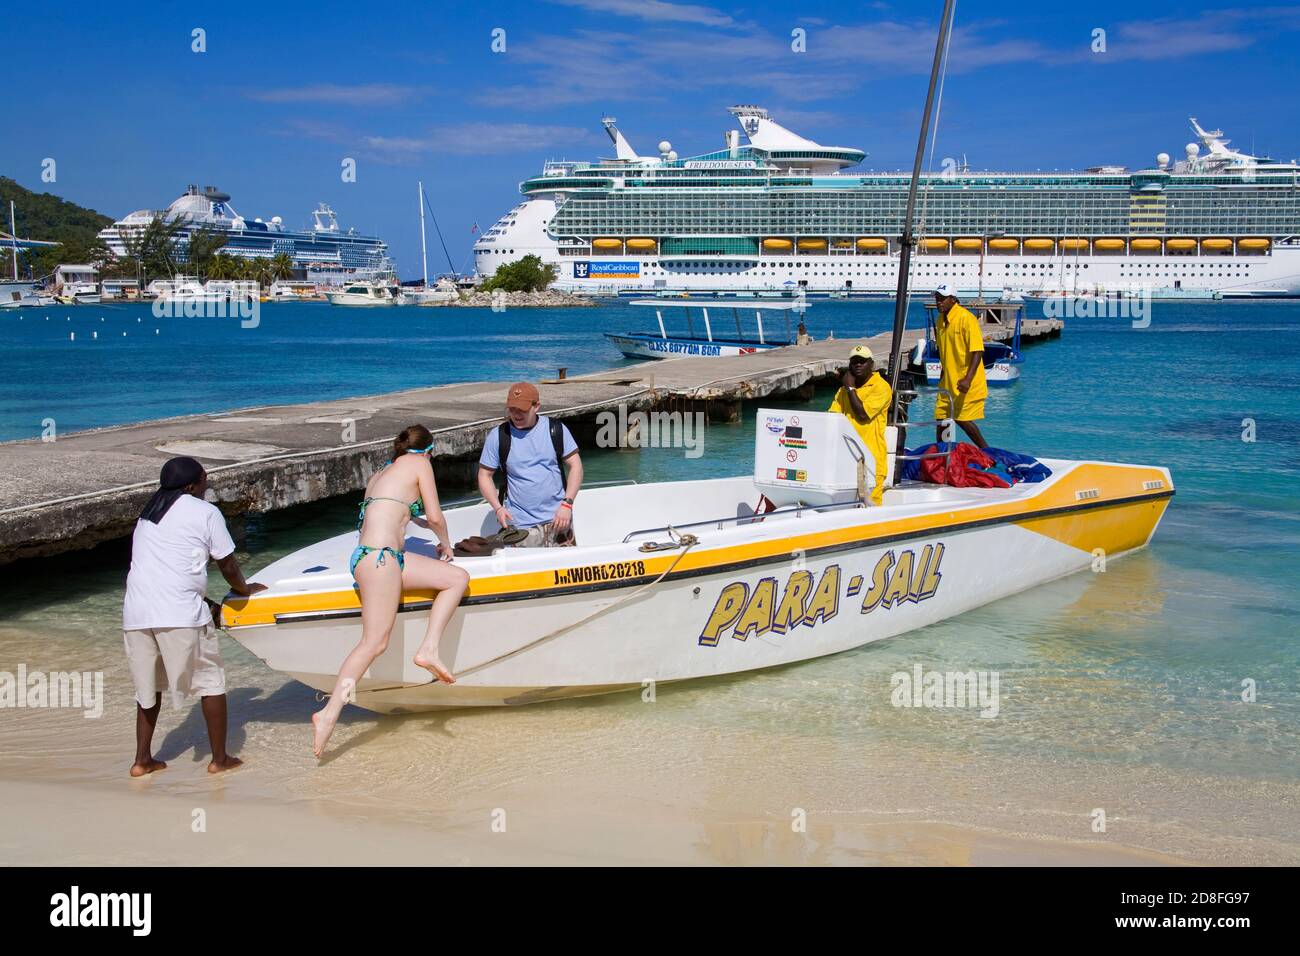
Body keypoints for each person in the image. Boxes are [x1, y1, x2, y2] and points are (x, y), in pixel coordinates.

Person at [311, 425, 469, 758]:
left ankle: (428, 649)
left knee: (456, 579)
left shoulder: (382, 473)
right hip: (382, 561)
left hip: (372, 558)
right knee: (374, 643)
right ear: (427, 451)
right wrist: (444, 543)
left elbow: (394, 512)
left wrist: (420, 523)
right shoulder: (421, 464)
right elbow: (437, 516)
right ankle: (328, 713)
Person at [122, 456, 265, 777]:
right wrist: (243, 589)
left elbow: (157, 568)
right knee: (210, 682)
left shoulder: (148, 515)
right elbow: (227, 563)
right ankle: (220, 759)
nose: (206, 486)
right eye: (204, 481)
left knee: (147, 689)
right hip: (180, 614)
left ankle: (142, 761)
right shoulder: (205, 512)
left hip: (136, 613)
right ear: (192, 485)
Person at [477, 382, 584, 548]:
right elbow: (484, 474)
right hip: (521, 527)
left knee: (563, 571)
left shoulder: (556, 429)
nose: (516, 414)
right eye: (512, 409)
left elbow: (576, 465)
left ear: (537, 406)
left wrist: (567, 504)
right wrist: (498, 508)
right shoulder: (498, 436)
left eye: (522, 409)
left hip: (559, 520)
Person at [828, 345, 893, 505]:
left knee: (870, 505)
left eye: (862, 361)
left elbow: (863, 415)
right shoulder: (843, 391)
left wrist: (850, 388)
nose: (858, 364)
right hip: (847, 457)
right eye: (855, 361)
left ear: (871, 364)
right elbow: (831, 419)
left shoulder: (881, 387)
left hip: (870, 459)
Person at [933, 283, 989, 448]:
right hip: (947, 381)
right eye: (937, 299)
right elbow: (944, 350)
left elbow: (977, 351)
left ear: (953, 299)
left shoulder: (966, 318)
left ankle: (987, 451)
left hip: (965, 381)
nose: (939, 302)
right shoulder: (940, 320)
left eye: (942, 299)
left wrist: (968, 379)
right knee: (941, 418)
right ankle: (943, 453)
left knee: (962, 419)